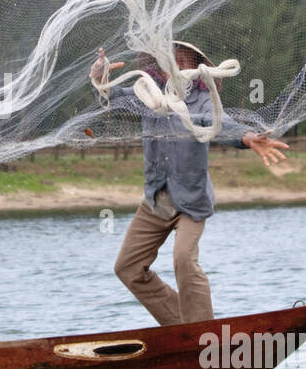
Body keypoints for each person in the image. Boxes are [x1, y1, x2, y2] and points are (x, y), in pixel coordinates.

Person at [89, 42, 288, 326]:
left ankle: (202, 333)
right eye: (172, 60)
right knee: (127, 268)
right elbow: (112, 98)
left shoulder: (202, 101)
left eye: (185, 61)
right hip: (156, 201)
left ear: (196, 68)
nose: (179, 66)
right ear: (160, 67)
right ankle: (181, 327)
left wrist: (247, 137)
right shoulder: (149, 95)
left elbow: (222, 123)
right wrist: (100, 78)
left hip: (191, 202)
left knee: (183, 259)